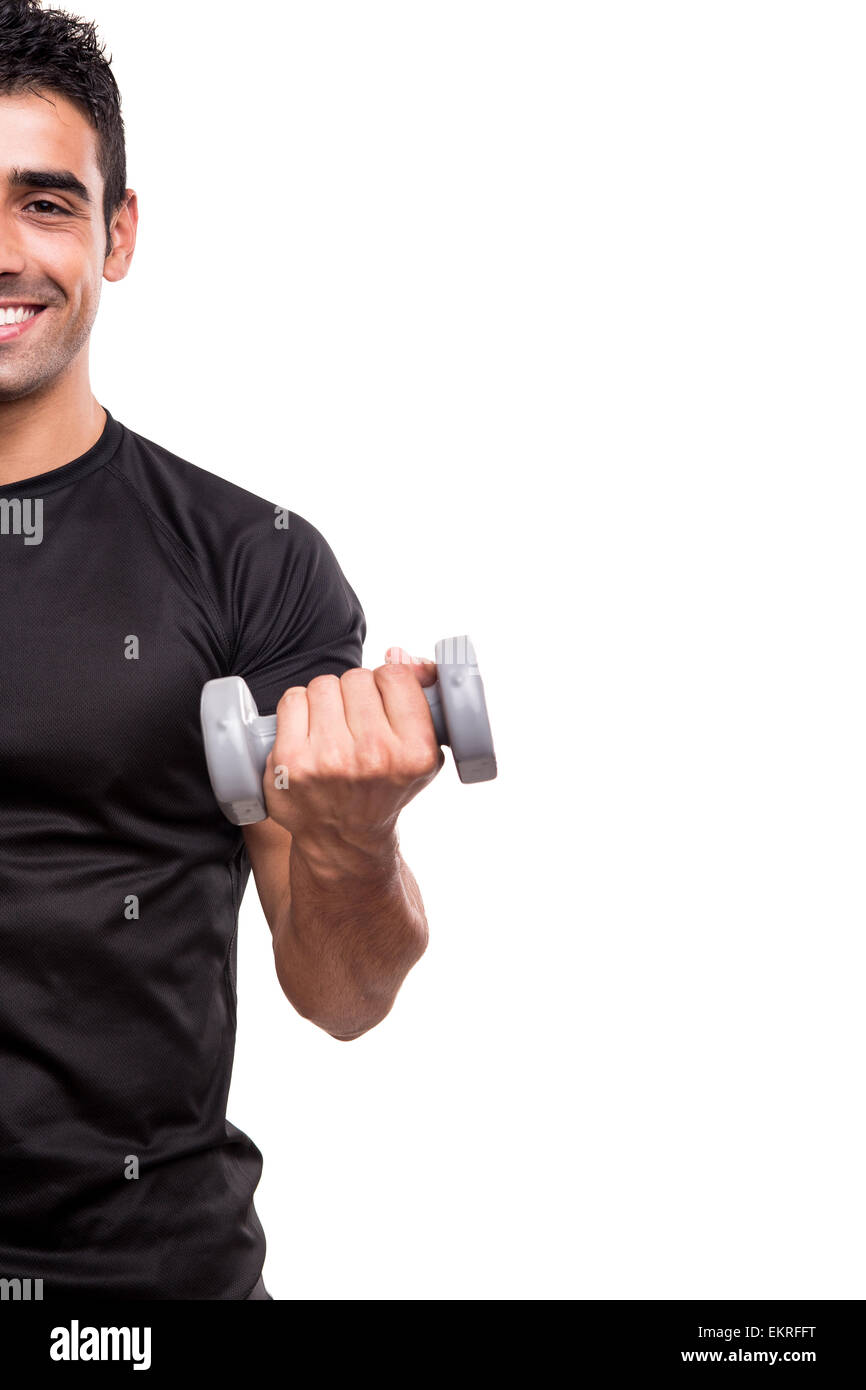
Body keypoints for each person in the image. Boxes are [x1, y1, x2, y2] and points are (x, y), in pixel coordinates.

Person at [0, 0, 442, 1301]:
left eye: (47, 202)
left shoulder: (248, 562)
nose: (3, 250)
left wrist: (353, 834)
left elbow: (347, 991)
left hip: (141, 1295)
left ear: (118, 233)